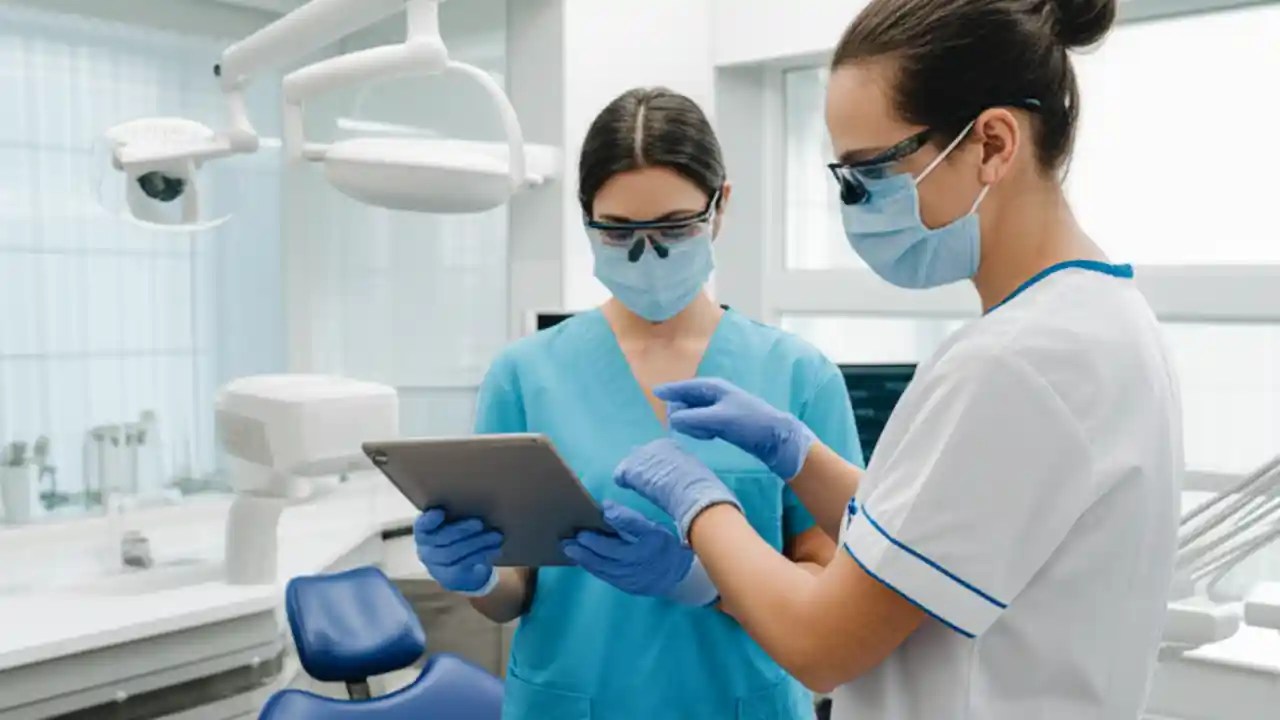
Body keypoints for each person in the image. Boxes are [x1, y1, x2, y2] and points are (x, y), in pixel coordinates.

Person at [589, 2, 1183, 719]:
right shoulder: (1105, 318)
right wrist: (798, 456)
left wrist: (702, 508)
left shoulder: (1016, 363)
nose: (855, 208)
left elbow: (821, 643)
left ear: (993, 143)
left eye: (869, 175)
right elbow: (932, 545)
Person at [412, 87, 864, 719]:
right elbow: (517, 591)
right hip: (573, 700)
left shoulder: (797, 376)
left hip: (736, 700)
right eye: (618, 230)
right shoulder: (525, 375)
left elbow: (829, 589)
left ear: (721, 207)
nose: (646, 253)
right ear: (585, 218)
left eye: (675, 228)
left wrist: (704, 581)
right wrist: (477, 577)